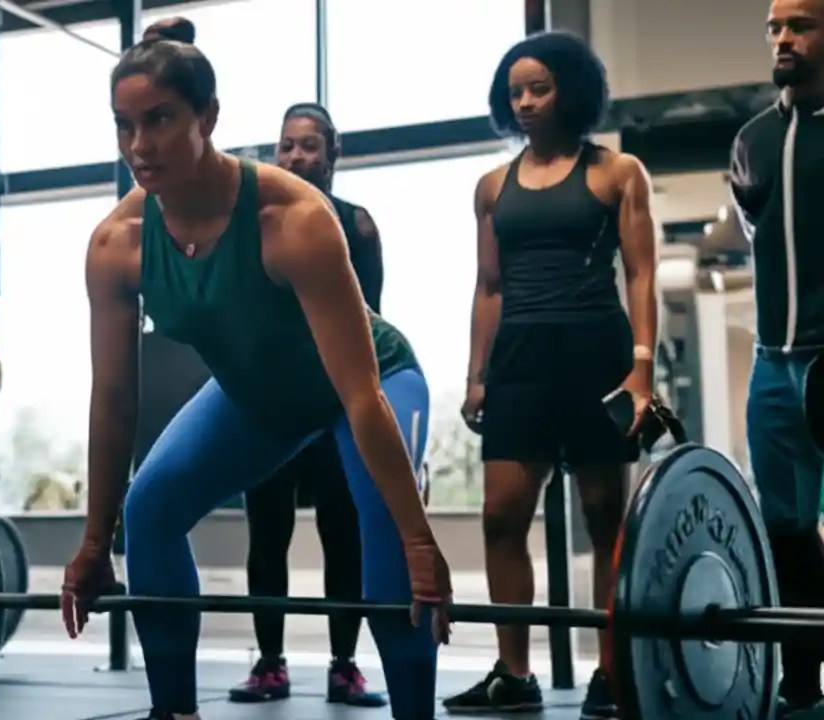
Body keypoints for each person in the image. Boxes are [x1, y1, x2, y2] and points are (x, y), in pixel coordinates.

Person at [61, 31, 452, 720]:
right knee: (149, 511)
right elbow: (115, 399)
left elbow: (359, 393)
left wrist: (420, 539)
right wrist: (95, 542)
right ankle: (173, 710)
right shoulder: (116, 246)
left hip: (370, 382)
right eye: (125, 125)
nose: (139, 145)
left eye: (160, 119)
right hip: (261, 399)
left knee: (385, 534)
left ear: (207, 118)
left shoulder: (293, 217)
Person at [444, 31, 658, 719]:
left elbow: (642, 273)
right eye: (516, 93)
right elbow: (488, 287)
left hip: (596, 355)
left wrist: (643, 372)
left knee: (604, 519)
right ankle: (514, 674)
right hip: (519, 364)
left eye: (540, 88)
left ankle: (611, 671)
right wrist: (477, 376)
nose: (528, 102)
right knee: (503, 516)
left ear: (571, 89)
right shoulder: (491, 187)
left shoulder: (617, 172)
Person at [226, 101, 387, 708]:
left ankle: (345, 665)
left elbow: (369, 327)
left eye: (308, 146)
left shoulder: (358, 225)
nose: (295, 156)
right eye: (286, 146)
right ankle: (269, 663)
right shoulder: (254, 226)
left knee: (343, 536)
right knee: (267, 538)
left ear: (332, 155)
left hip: (332, 409)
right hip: (269, 406)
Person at [730, 1, 824, 716]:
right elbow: (756, 234)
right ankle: (800, 690)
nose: (783, 38)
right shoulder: (754, 139)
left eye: (801, 25)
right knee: (787, 531)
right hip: (772, 364)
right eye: (775, 27)